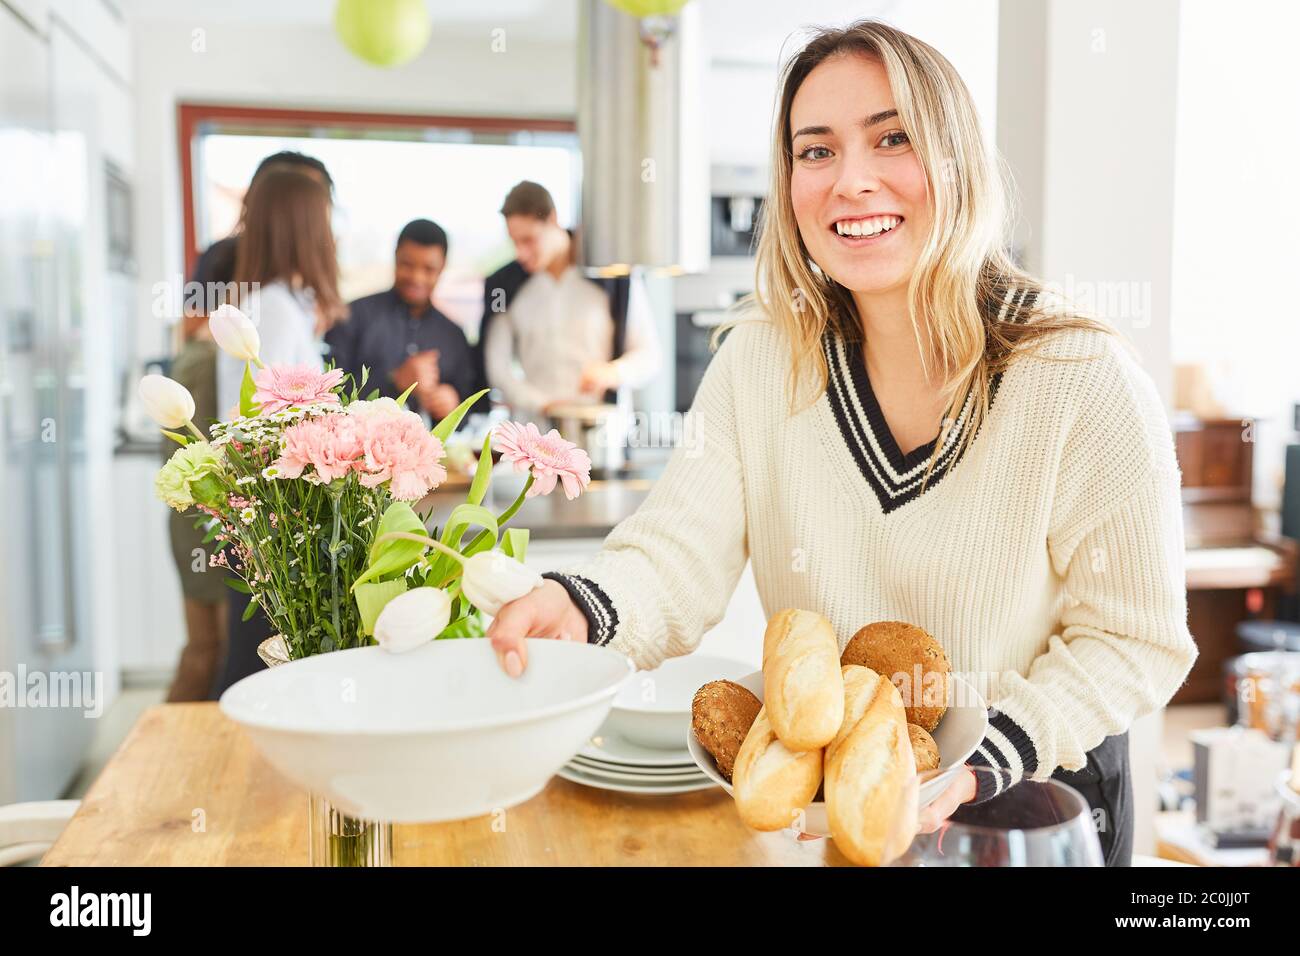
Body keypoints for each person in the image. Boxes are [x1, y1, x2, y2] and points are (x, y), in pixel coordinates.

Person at [485, 20, 1197, 867]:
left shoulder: (1079, 374)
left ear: (957, 156)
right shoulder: (761, 358)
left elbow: (1136, 637)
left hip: (1028, 814)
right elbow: (674, 555)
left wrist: (981, 764)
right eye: (814, 152)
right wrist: (580, 604)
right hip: (845, 820)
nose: (850, 182)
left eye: (892, 138)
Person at [211, 167, 344, 696]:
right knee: (258, 676)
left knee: (256, 673)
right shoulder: (274, 311)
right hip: (274, 527)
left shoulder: (273, 305)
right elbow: (259, 432)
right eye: (325, 221)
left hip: (268, 522)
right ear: (303, 228)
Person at [483, 181, 662, 419]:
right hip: (535, 430)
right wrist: (543, 404)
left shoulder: (614, 274)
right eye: (514, 242)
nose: (520, 253)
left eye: (529, 240)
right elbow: (498, 368)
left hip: (601, 429)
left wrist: (612, 372)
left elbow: (650, 356)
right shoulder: (503, 286)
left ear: (553, 219)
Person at [326, 219, 483, 422]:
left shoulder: (453, 335)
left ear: (442, 267)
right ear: (395, 257)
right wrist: (394, 379)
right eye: (407, 265)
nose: (417, 278)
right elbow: (328, 392)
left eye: (429, 269)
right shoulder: (353, 315)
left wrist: (454, 405)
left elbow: (472, 407)